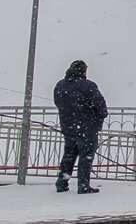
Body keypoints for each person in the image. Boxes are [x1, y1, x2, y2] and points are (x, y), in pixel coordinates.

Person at [53, 60, 107, 194]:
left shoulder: (60, 85)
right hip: (87, 128)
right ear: (84, 71)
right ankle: (83, 185)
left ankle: (62, 182)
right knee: (86, 157)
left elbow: (58, 102)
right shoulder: (88, 86)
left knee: (68, 156)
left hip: (68, 127)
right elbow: (100, 105)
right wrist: (98, 116)